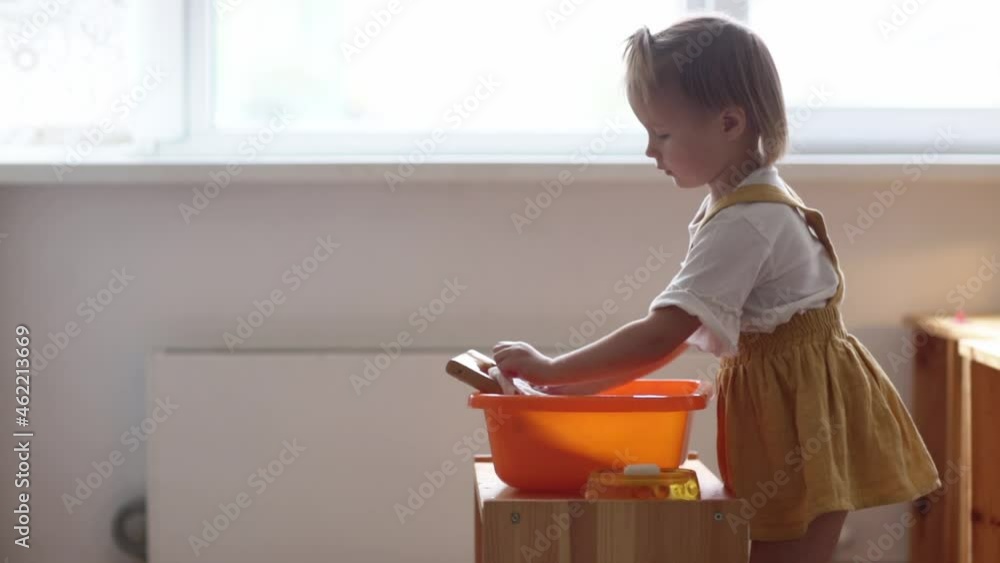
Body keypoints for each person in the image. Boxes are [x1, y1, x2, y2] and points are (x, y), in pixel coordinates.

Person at [492, 14, 940, 563]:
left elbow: (664, 331)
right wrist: (578, 390)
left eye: (661, 133)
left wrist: (555, 368)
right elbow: (681, 332)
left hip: (803, 419)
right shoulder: (735, 203)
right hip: (792, 408)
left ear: (729, 122)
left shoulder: (745, 221)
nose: (650, 151)